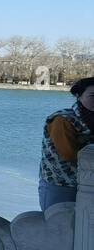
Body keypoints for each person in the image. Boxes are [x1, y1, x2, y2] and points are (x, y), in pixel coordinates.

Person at [39, 76, 94, 209]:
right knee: (58, 225)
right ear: (78, 95)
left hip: (88, 183)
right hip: (61, 185)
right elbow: (69, 154)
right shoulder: (63, 119)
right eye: (93, 96)